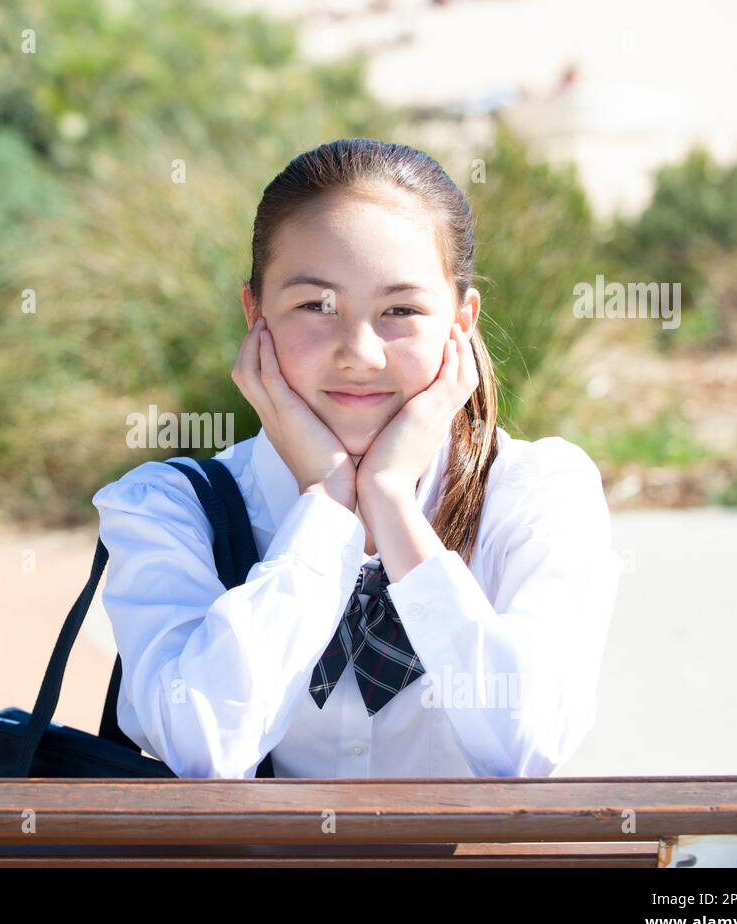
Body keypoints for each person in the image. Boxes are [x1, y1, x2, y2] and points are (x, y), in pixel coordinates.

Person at [92, 138, 622, 779]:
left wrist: (394, 506)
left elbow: (528, 743)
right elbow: (205, 745)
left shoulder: (537, 493)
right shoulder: (171, 509)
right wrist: (325, 508)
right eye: (317, 306)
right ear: (254, 313)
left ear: (462, 321)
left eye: (400, 310)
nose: (360, 353)